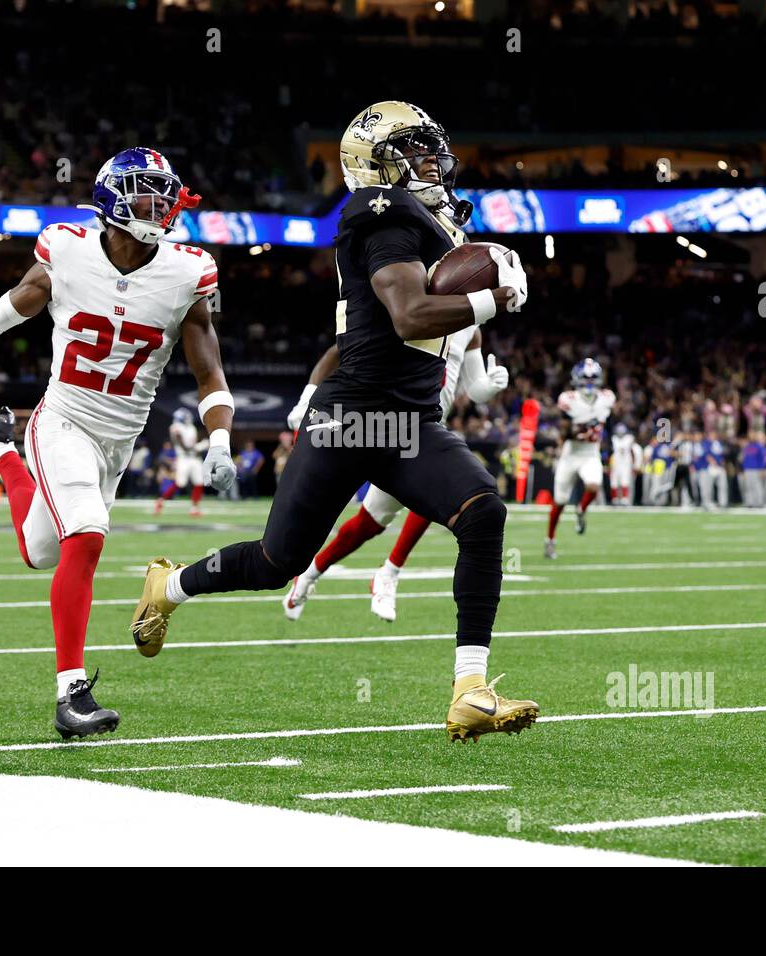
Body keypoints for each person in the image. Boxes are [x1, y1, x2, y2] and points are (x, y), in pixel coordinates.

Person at [128, 101, 538, 743]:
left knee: (483, 511)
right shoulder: (384, 213)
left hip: (409, 422)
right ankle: (170, 584)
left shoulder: (430, 219)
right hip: (350, 417)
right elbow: (407, 315)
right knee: (276, 561)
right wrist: (491, 297)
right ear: (375, 165)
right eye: (412, 149)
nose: (431, 159)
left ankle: (469, 688)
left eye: (433, 147)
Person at [0, 147, 236, 739]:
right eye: (146, 191)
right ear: (114, 199)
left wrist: (218, 440)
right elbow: (7, 308)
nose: (161, 203)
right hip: (64, 419)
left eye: (164, 191)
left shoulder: (185, 272)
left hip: (118, 441)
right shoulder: (66, 249)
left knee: (42, 552)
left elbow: (208, 374)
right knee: (88, 533)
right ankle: (71, 695)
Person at [282, 325, 510, 623]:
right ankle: (379, 572)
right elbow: (336, 352)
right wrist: (306, 400)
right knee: (425, 497)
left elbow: (475, 388)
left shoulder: (472, 327)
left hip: (426, 430)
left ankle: (318, 573)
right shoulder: (410, 303)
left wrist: (489, 386)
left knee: (373, 521)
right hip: (385, 420)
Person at [546, 357, 614, 557]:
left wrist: (606, 450)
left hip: (590, 453)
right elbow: (563, 432)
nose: (590, 381)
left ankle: (581, 510)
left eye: (593, 377)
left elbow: (607, 425)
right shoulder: (569, 400)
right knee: (559, 500)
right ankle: (550, 540)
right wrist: (580, 431)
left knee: (593, 486)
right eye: (586, 377)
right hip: (571, 453)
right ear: (577, 378)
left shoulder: (607, 398)